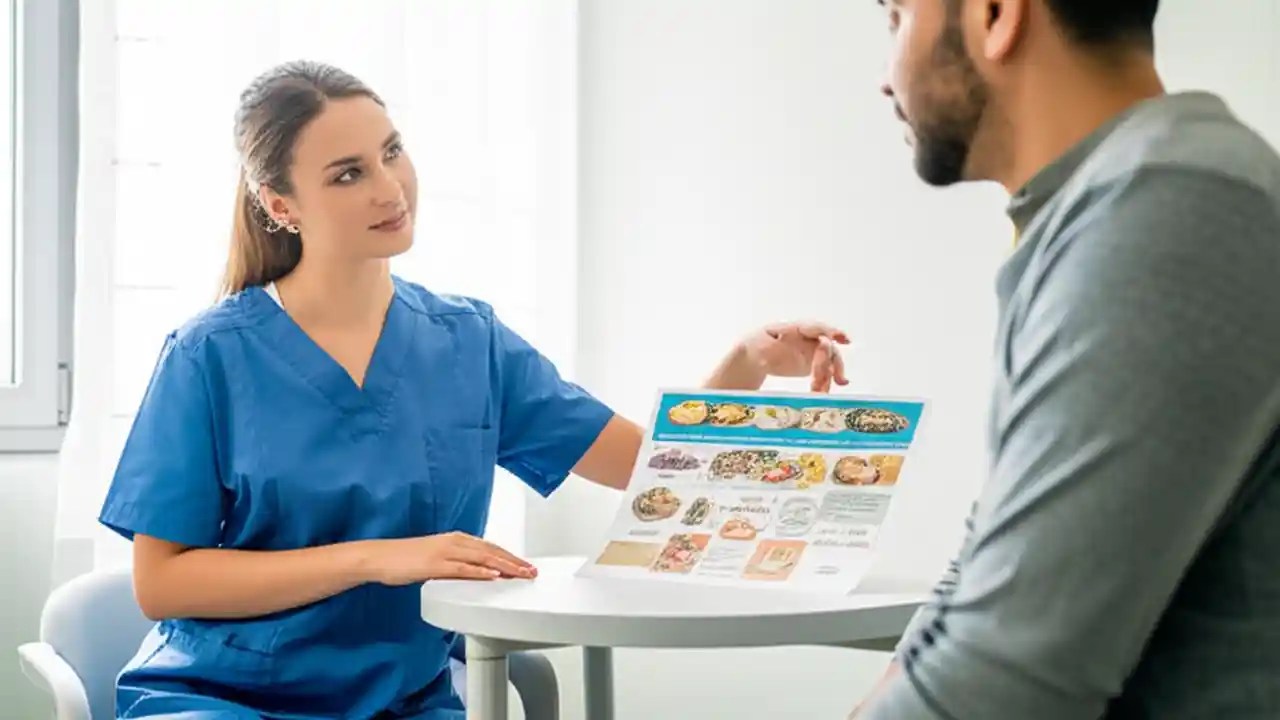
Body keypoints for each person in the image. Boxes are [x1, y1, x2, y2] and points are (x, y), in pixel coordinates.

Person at [97, 60, 851, 720]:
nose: (391, 188)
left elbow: (659, 473)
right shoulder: (209, 355)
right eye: (348, 173)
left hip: (405, 703)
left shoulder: (467, 342)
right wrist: (372, 558)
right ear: (281, 204)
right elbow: (163, 583)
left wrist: (745, 364)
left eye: (392, 152)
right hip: (224, 699)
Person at [852, 0, 1280, 718]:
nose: (886, 79)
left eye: (897, 16)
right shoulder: (1104, 206)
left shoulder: (1170, 210)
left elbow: (1000, 682)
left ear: (996, 14)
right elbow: (982, 570)